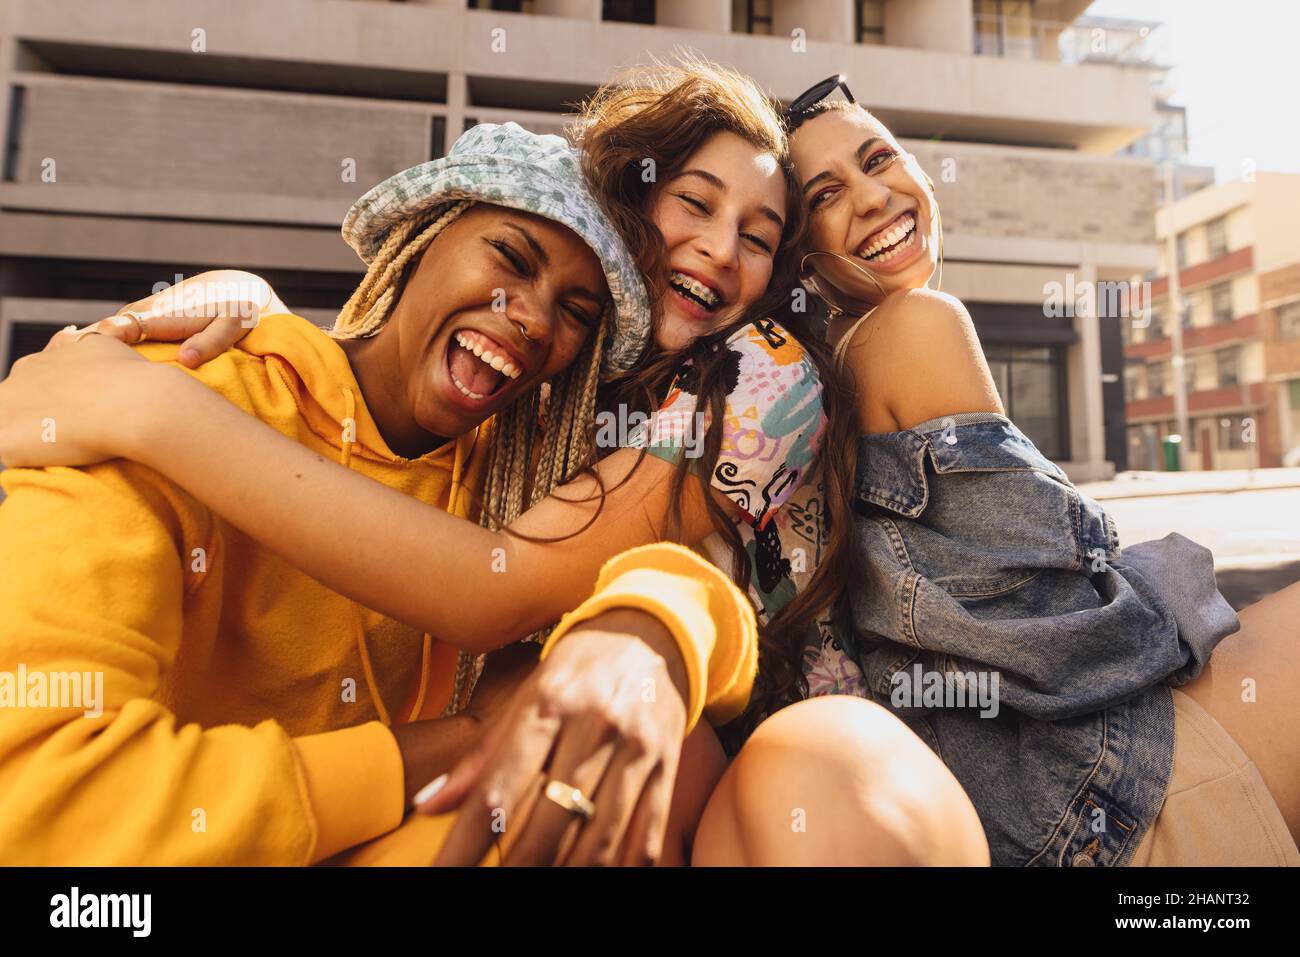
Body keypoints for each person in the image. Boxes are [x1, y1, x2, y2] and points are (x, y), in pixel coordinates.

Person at [0, 61, 990, 866]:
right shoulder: (551, 384)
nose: (720, 248)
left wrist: (158, 410)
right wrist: (248, 308)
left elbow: (492, 589)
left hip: (762, 746)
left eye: (760, 240)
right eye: (693, 203)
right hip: (564, 745)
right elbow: (365, 390)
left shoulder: (760, 378)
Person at [780, 76, 1299, 866]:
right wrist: (1187, 594)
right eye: (825, 194)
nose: (874, 196)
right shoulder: (917, 326)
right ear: (801, 257)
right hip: (1089, 803)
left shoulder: (838, 367)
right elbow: (1074, 641)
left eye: (879, 158)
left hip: (1016, 795)